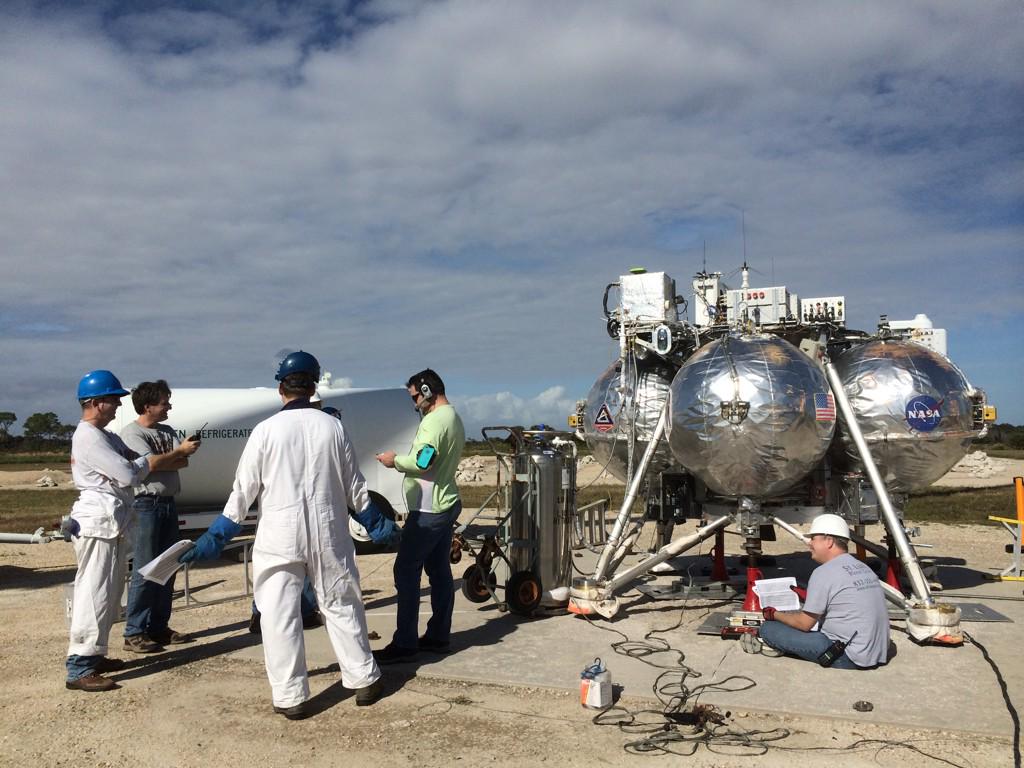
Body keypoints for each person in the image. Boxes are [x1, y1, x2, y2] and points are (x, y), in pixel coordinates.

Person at [180, 351, 396, 718]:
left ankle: (291, 697)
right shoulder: (333, 427)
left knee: (278, 615)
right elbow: (354, 487)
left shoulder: (265, 431)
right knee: (341, 604)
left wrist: (215, 537)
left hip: (280, 534)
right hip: (328, 531)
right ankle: (362, 679)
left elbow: (242, 492)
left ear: (281, 387)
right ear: (313, 386)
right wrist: (378, 525)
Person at [65, 370, 199, 692]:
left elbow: (136, 463)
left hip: (111, 521)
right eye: (112, 400)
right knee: (94, 593)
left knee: (109, 594)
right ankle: (79, 666)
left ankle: (94, 656)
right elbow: (128, 472)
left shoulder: (106, 436)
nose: (116, 405)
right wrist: (142, 466)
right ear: (96, 403)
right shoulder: (88, 437)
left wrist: (141, 465)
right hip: (98, 520)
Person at [374, 368, 465, 664]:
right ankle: (438, 635)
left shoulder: (434, 422)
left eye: (414, 396)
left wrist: (394, 461)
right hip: (444, 503)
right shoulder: (453, 417)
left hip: (428, 510)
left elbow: (424, 461)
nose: (414, 403)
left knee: (405, 570)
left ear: (426, 391)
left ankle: (405, 642)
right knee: (438, 571)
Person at [749, 514, 890, 670]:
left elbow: (804, 624)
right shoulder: (863, 567)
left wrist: (773, 614)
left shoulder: (824, 572)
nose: (810, 544)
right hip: (877, 652)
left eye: (814, 538)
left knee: (768, 629)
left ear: (829, 541)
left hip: (847, 654)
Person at [120, 380, 198, 653]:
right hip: (146, 505)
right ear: (147, 406)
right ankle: (134, 632)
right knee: (146, 567)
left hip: (167, 503)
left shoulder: (166, 431)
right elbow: (148, 465)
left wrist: (171, 457)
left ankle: (158, 627)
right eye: (164, 403)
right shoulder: (131, 434)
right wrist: (175, 454)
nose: (169, 407)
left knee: (167, 565)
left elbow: (182, 462)